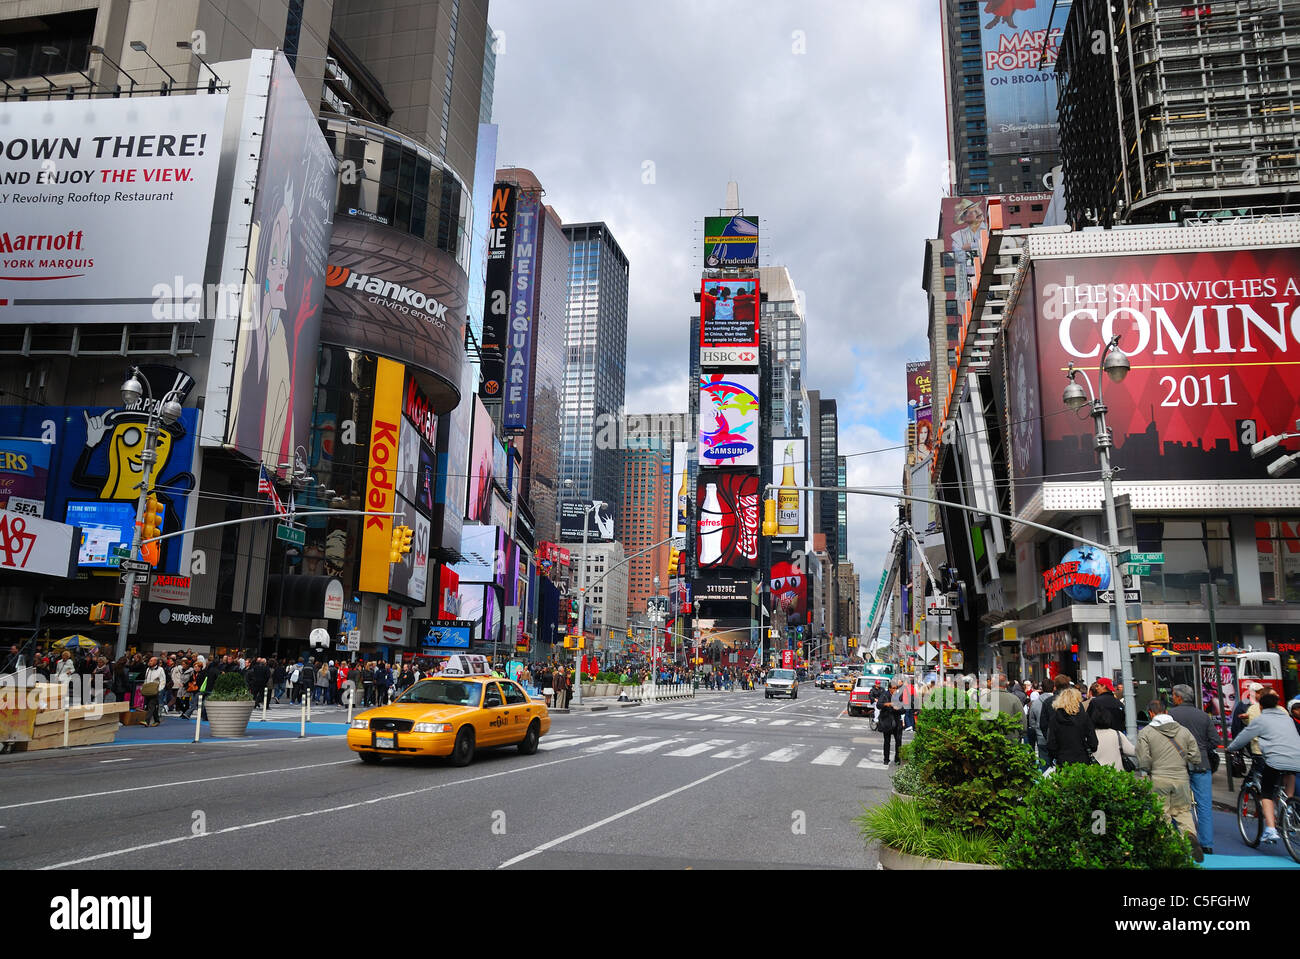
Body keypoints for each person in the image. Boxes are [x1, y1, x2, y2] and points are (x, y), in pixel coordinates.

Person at [1227, 690, 1300, 845]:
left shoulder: (1262, 719)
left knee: (1266, 793)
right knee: (1290, 775)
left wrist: (1230, 748)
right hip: (1296, 759)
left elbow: (1243, 737)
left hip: (1275, 760)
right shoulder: (1287, 718)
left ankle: (1271, 830)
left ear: (1260, 706)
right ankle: (1289, 807)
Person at [1138, 699, 1204, 860]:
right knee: (1182, 812)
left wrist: (1149, 769)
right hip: (1181, 778)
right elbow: (1195, 757)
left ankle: (1169, 847)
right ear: (1167, 712)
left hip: (1159, 778)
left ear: (1150, 714)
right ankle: (1189, 835)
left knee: (1162, 814)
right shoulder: (1184, 731)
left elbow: (1144, 761)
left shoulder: (1146, 732)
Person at [1170, 683, 1217, 855]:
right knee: (1204, 804)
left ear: (1179, 697)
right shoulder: (1203, 716)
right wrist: (1202, 749)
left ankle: (1183, 837)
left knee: (1179, 804)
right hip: (1202, 763)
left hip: (1178, 764)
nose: (1172, 697)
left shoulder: (1171, 715)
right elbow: (1214, 740)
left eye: (1173, 695)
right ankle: (1207, 843)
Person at [1047, 686, 1098, 766]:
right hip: (1082, 758)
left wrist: (1056, 755)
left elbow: (1051, 743)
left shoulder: (1055, 718)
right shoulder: (1084, 717)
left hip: (1063, 759)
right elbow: (1093, 742)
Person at [880, 680, 905, 764]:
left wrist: (899, 709)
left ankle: (897, 759)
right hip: (887, 720)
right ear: (889, 688)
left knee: (898, 741)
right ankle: (886, 759)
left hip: (897, 721)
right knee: (887, 741)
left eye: (896, 688)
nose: (895, 690)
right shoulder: (884, 695)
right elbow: (878, 705)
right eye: (893, 688)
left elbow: (904, 709)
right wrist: (887, 704)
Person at [142, 656, 166, 726]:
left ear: (156, 662)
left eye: (152, 661)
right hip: (148, 690)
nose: (150, 662)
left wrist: (159, 690)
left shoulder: (160, 669)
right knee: (152, 706)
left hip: (155, 690)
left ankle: (147, 721)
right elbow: (146, 679)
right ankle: (157, 721)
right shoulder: (148, 669)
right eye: (150, 660)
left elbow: (163, 680)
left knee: (151, 705)